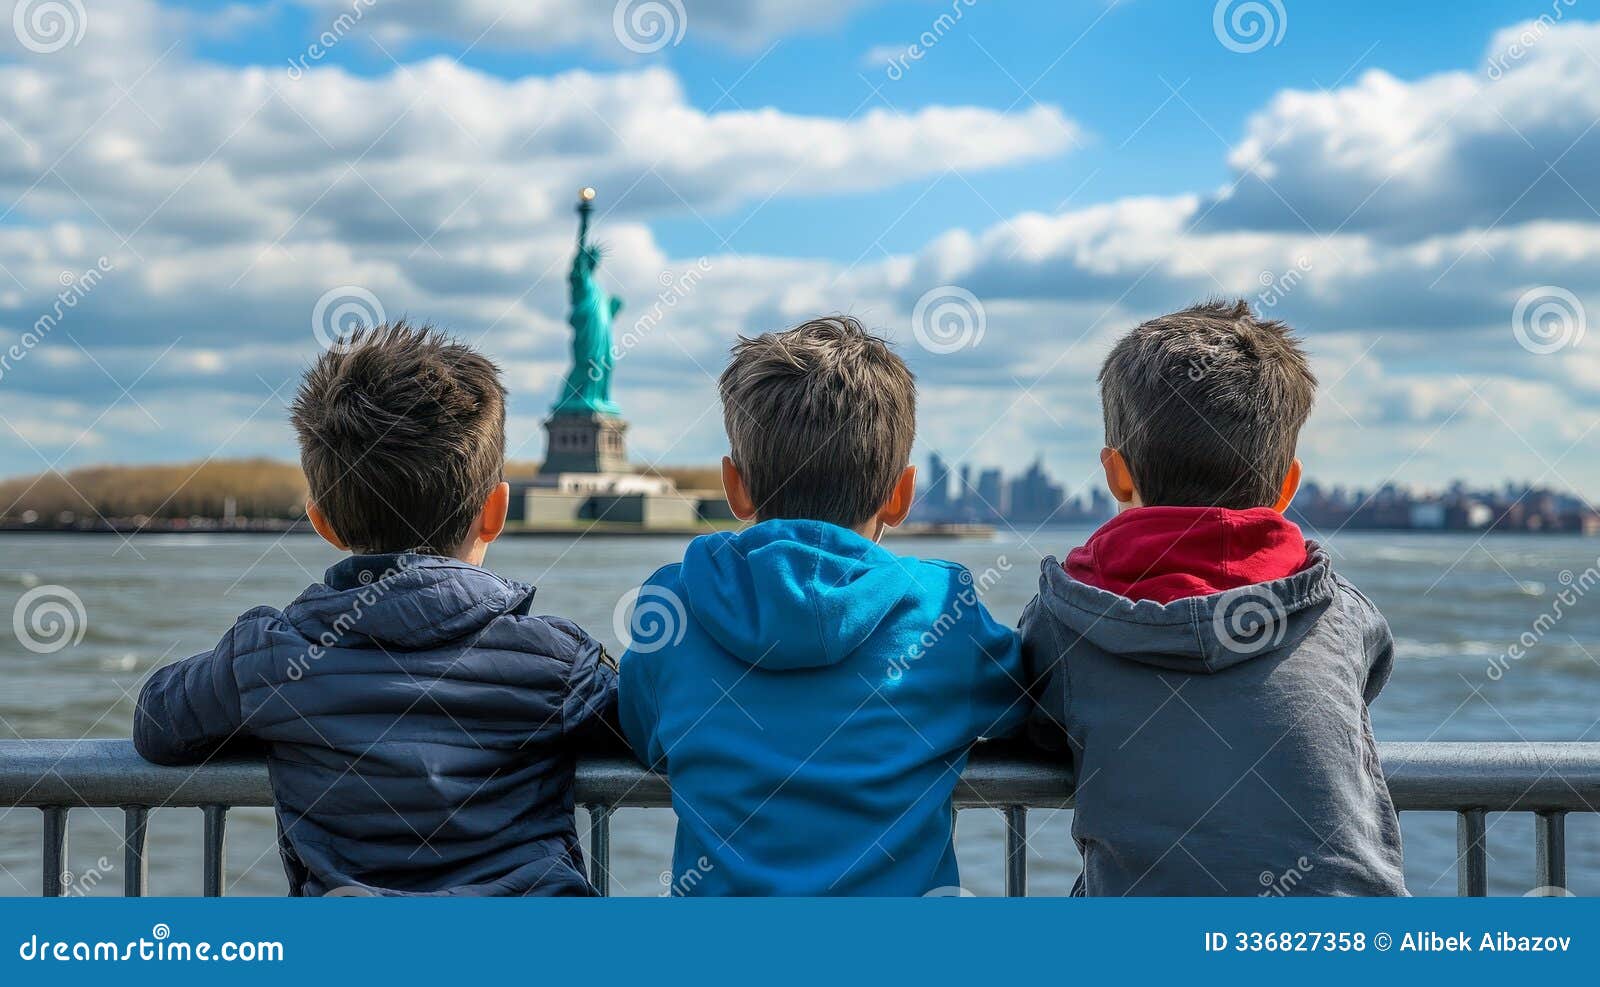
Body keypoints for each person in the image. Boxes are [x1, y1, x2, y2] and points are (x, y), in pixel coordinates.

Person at [133, 322, 616, 896]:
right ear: (496, 511)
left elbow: (158, 723)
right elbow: (660, 725)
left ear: (323, 524)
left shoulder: (270, 661)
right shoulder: (559, 664)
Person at [618, 315, 1029, 895]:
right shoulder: (943, 612)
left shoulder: (675, 602)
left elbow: (642, 730)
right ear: (901, 494)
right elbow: (1031, 704)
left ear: (734, 487)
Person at [1022, 299, 1406, 896]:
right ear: (1287, 487)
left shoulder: (1062, 619)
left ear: (1117, 475)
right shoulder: (1342, 613)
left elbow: (1040, 726)